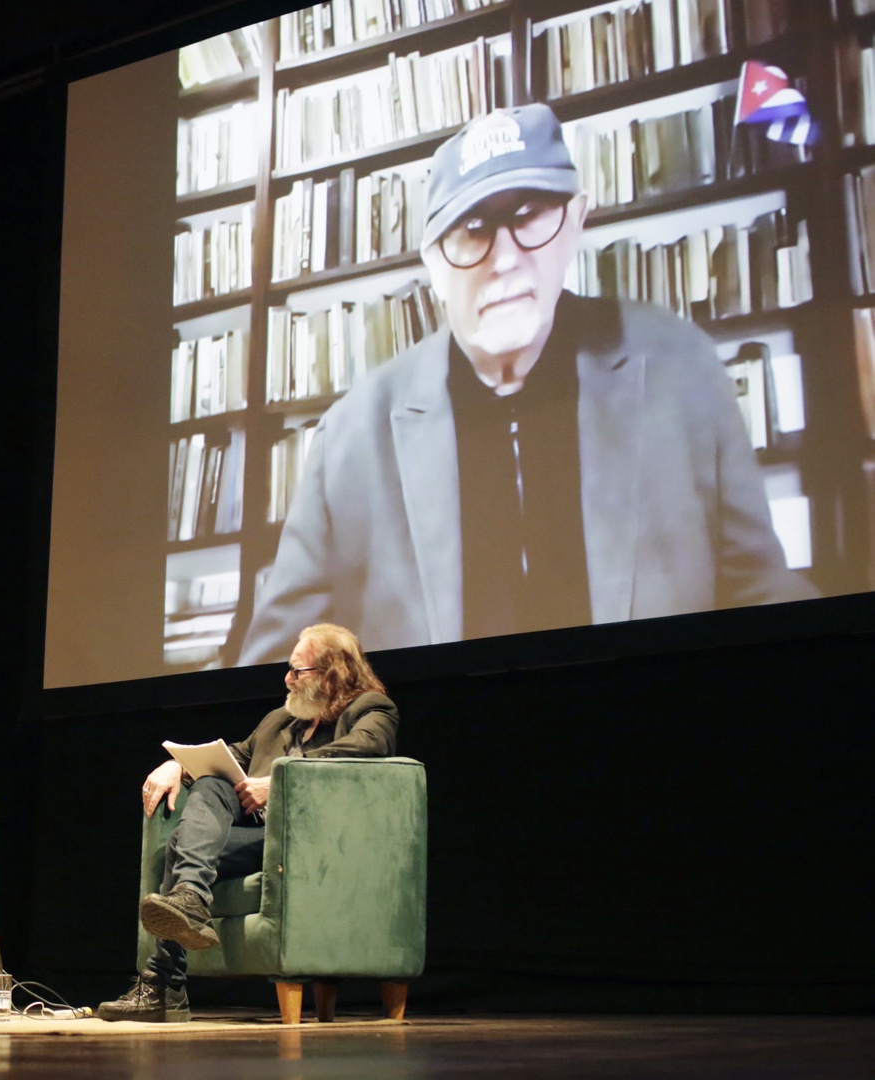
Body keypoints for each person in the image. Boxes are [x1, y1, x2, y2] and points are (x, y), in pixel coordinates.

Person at [240, 104, 814, 664]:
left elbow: (759, 594)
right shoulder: (351, 434)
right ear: (434, 263)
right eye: (473, 228)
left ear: (576, 221)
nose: (507, 259)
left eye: (529, 215)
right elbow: (280, 668)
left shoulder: (679, 367)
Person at [98, 623, 398, 1022]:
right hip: (256, 837)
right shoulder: (279, 721)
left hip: (311, 844)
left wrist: (279, 782)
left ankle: (163, 986)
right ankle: (190, 898)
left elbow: (369, 747)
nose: (287, 679)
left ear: (331, 673)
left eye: (298, 670)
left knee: (182, 846)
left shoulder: (371, 708)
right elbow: (231, 757)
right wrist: (177, 767)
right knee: (207, 791)